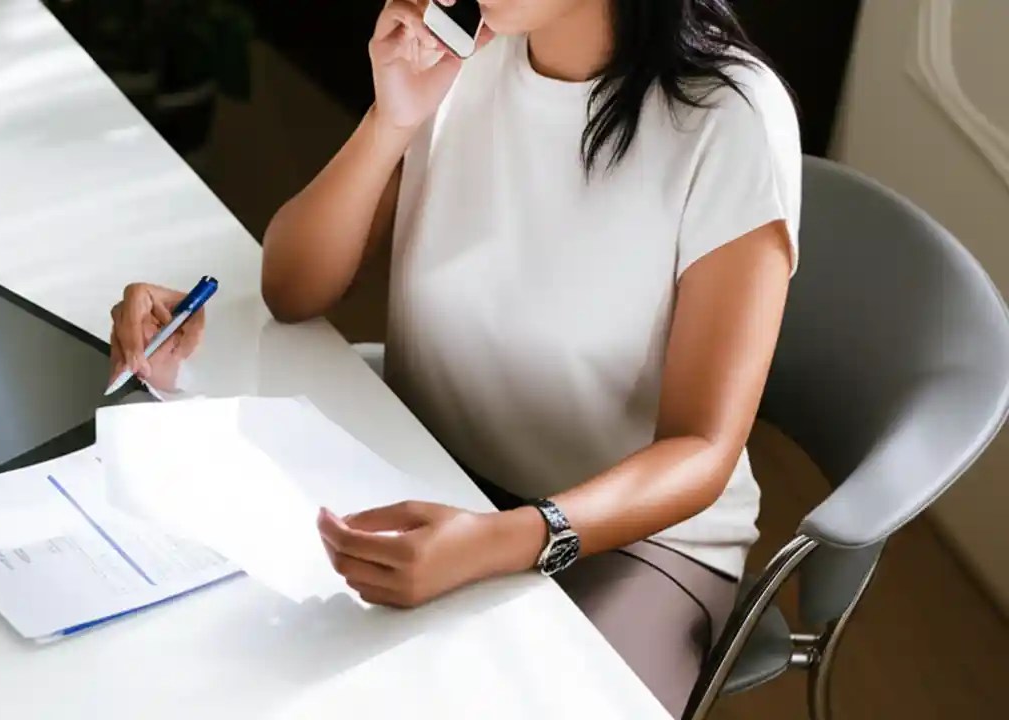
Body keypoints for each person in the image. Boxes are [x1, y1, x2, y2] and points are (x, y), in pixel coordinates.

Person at [111, 0, 800, 714]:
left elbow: (701, 448)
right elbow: (292, 289)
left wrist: (500, 539)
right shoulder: (466, 50)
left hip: (628, 542)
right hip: (427, 468)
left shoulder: (731, 119)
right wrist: (392, 119)